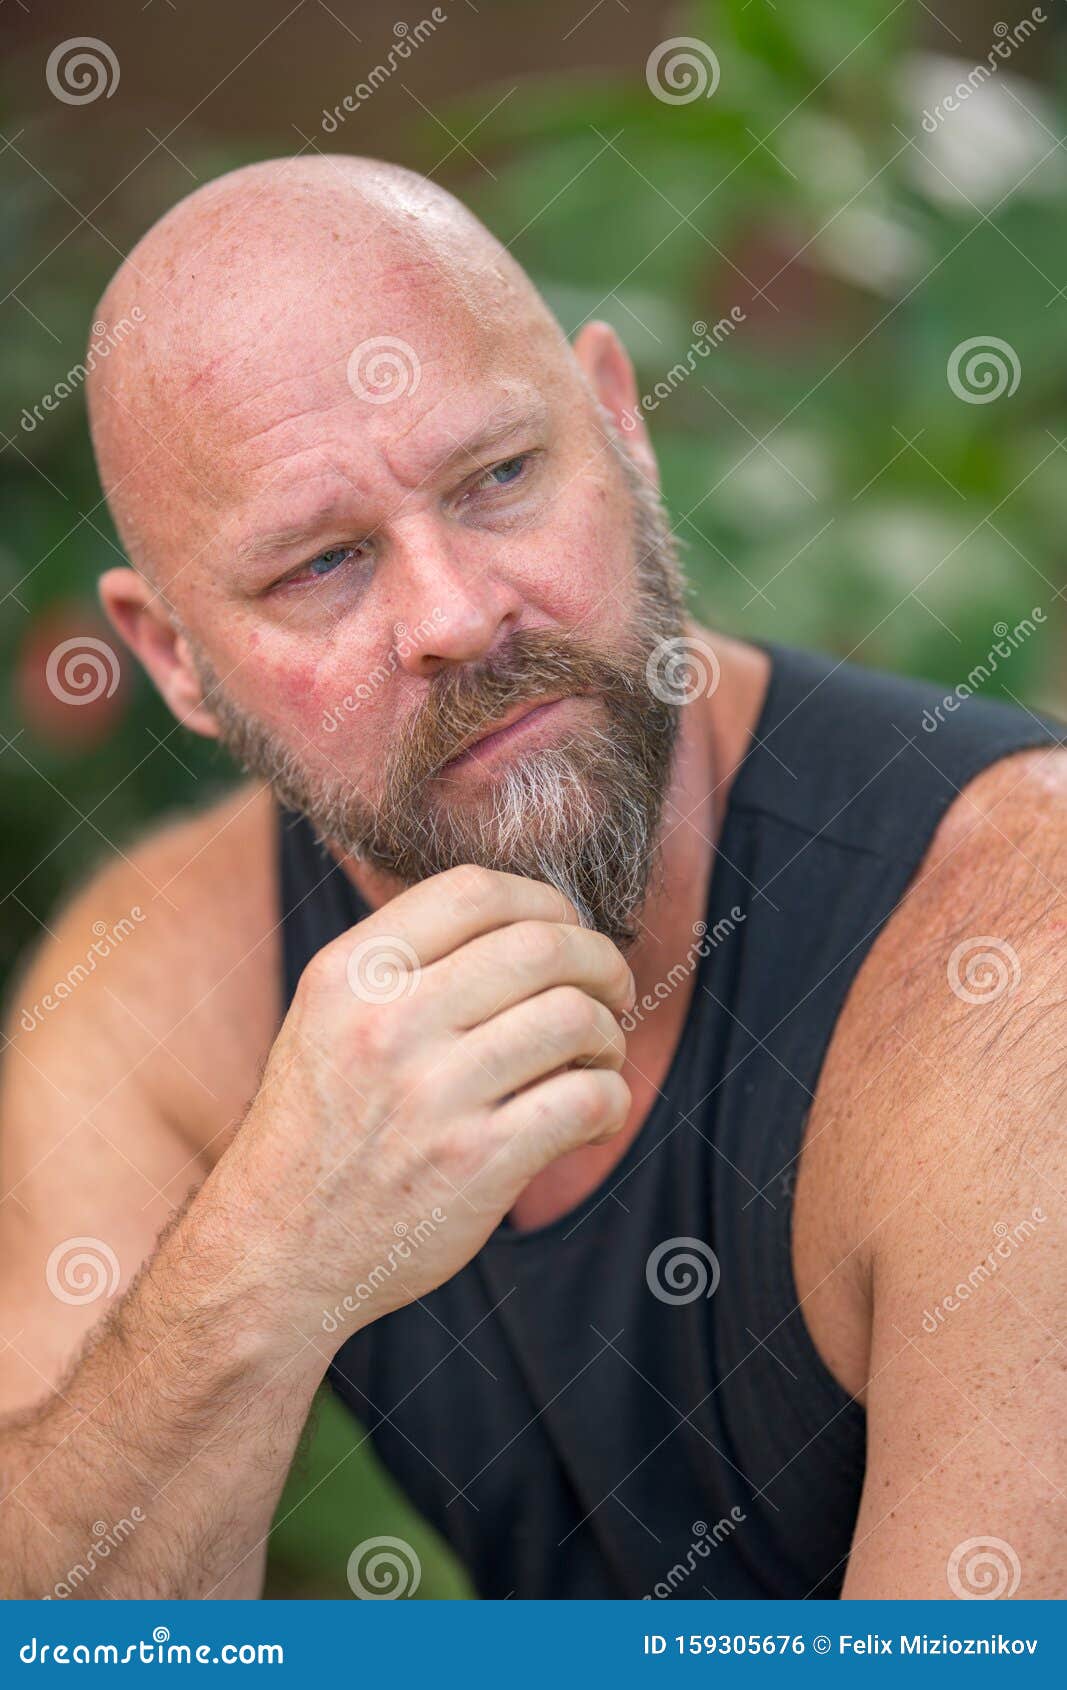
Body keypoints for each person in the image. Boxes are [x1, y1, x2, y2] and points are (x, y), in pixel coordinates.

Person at [0, 156, 1063, 1602]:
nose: (454, 613)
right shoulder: (160, 987)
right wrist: (265, 1257)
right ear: (176, 656)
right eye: (320, 565)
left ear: (617, 425)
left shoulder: (1015, 955)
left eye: (500, 477)